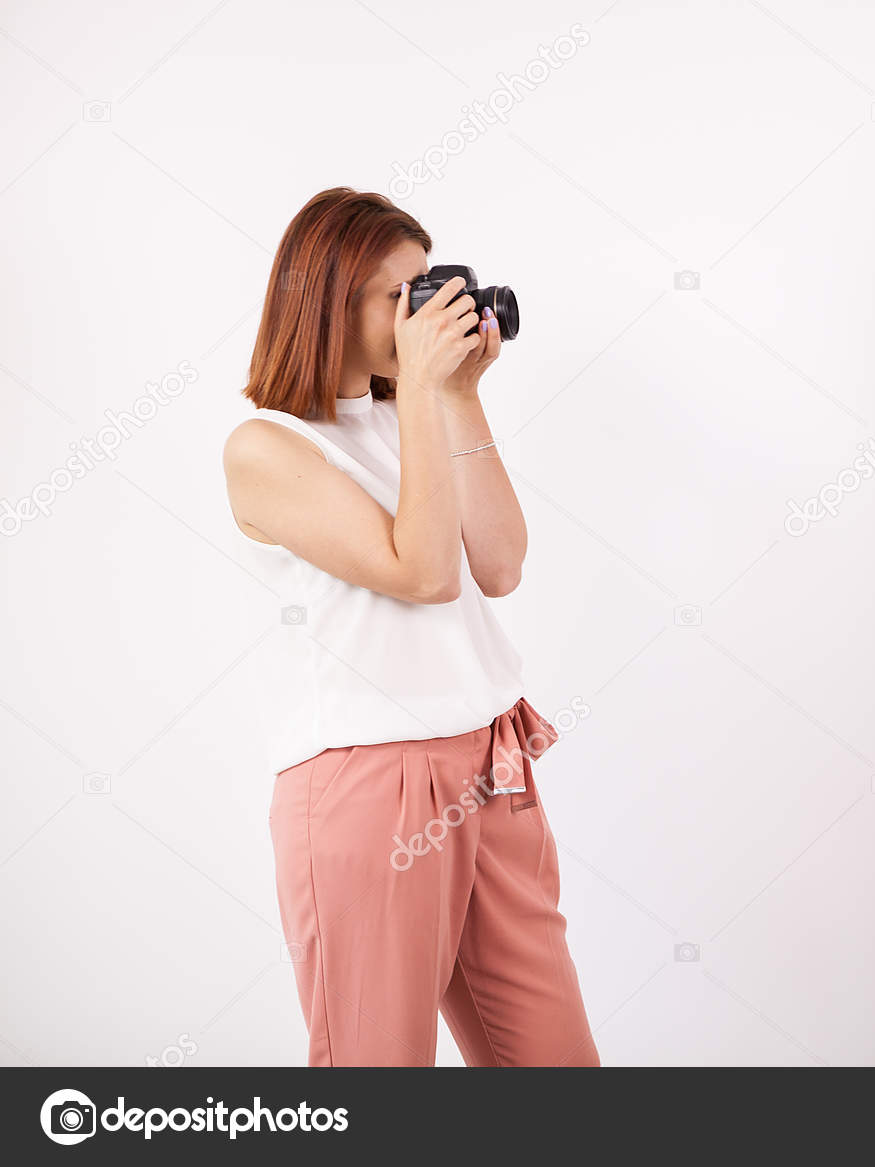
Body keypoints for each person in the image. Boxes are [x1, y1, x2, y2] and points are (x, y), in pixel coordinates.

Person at [222, 187, 598, 1067]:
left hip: (490, 765)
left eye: (425, 283)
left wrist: (456, 396)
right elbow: (424, 572)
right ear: (325, 304)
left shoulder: (415, 415)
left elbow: (499, 565)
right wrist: (425, 392)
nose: (423, 309)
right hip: (372, 787)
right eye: (397, 295)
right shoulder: (266, 447)